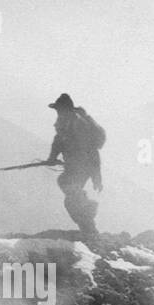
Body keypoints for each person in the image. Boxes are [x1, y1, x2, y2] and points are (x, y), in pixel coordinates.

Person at [46, 93, 105, 235]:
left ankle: (89, 223)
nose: (58, 112)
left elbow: (92, 151)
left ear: (66, 109)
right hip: (74, 166)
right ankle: (88, 226)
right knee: (71, 192)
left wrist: (96, 177)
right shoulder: (64, 121)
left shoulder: (79, 124)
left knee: (71, 195)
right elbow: (58, 141)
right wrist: (52, 158)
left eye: (59, 109)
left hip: (83, 167)